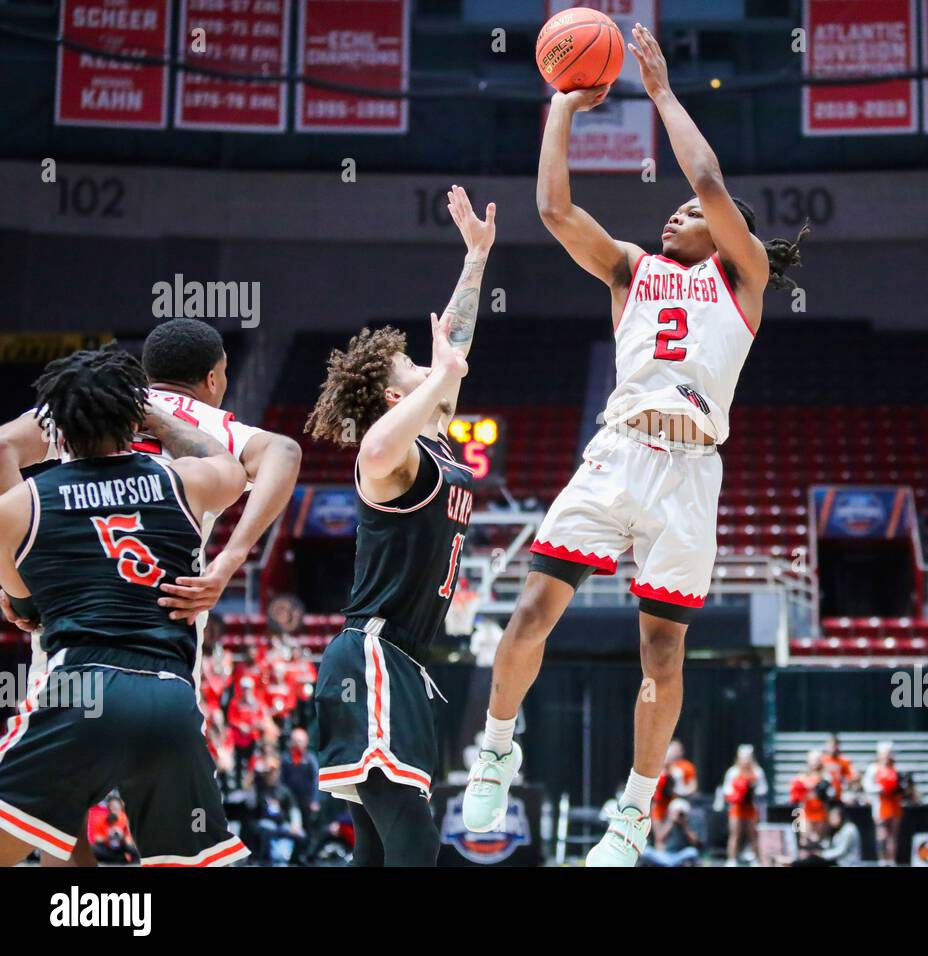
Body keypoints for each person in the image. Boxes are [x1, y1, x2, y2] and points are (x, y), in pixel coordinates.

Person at [460, 24, 809, 867]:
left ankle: (631, 813)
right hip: (617, 453)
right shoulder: (630, 269)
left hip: (691, 472)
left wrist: (659, 93)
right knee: (533, 612)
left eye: (691, 217)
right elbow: (552, 211)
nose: (676, 212)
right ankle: (496, 748)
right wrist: (559, 110)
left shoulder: (744, 280)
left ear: (729, 240)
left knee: (661, 650)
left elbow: (709, 178)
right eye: (676, 210)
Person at [0, 317, 302, 866]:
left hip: (74, 649)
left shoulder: (74, 405)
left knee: (52, 817)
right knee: (176, 842)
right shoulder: (199, 449)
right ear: (215, 378)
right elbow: (282, 453)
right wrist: (230, 561)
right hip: (166, 656)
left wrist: (23, 563)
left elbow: (1, 445)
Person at [305, 186, 494, 867]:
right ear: (394, 397)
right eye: (412, 367)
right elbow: (375, 447)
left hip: (401, 661)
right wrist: (440, 372)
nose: (429, 368)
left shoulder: (432, 442)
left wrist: (475, 259)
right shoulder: (388, 459)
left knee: (378, 848)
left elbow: (458, 347)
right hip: (373, 656)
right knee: (412, 835)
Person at [720, 743, 768, 865]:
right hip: (737, 808)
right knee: (735, 835)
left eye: (747, 758)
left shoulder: (757, 772)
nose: (745, 761)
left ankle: (756, 859)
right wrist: (737, 794)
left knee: (753, 835)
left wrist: (752, 790)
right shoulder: (733, 772)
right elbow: (727, 789)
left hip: (751, 808)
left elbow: (763, 788)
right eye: (743, 758)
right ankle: (731, 859)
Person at [864, 741, 910, 866]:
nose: (886, 756)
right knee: (882, 833)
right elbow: (867, 785)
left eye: (888, 753)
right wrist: (881, 788)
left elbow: (903, 786)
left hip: (894, 804)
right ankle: (882, 860)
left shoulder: (896, 768)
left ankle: (892, 860)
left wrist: (899, 788)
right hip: (880, 804)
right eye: (884, 754)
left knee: (893, 835)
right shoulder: (873, 768)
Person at [651, 740, 699, 847]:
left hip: (675, 806)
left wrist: (681, 793)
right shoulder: (658, 769)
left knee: (678, 833)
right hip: (660, 806)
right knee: (660, 838)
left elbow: (690, 787)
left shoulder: (682, 770)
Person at [792, 804, 862, 867]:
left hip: (845, 863)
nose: (830, 820)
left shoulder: (849, 829)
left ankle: (793, 864)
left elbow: (840, 851)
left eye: (833, 817)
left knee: (813, 861)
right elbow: (828, 845)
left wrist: (822, 854)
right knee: (811, 858)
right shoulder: (838, 829)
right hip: (835, 859)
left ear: (840, 816)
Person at [790, 749, 835, 845]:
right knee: (805, 840)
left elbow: (832, 793)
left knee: (818, 841)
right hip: (805, 812)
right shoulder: (802, 777)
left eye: (816, 760)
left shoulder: (826, 777)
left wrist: (821, 791)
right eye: (812, 760)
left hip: (821, 813)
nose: (814, 763)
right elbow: (795, 794)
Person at [639, 798, 701, 867]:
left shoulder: (688, 823)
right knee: (646, 852)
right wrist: (671, 821)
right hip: (665, 855)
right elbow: (659, 838)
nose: (678, 815)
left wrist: (684, 824)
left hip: (680, 854)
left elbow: (695, 842)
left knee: (692, 852)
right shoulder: (666, 820)